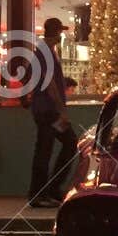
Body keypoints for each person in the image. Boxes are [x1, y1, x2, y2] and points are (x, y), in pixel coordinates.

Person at [27, 17, 76, 208]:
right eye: (60, 32)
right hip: (49, 110)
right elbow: (51, 86)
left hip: (45, 109)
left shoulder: (43, 52)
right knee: (64, 144)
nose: (61, 36)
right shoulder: (45, 52)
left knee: (46, 149)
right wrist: (61, 110)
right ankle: (44, 191)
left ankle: (45, 191)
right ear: (56, 33)